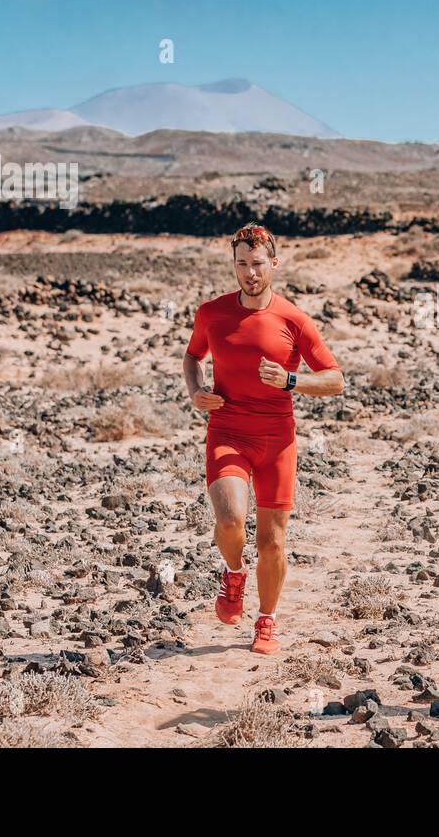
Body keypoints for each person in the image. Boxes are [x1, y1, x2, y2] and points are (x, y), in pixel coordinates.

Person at [182, 224, 344, 655]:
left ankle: (266, 619)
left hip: (276, 439)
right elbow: (193, 356)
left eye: (257, 265)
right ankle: (233, 572)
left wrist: (292, 381)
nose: (250, 273)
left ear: (273, 263)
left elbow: (335, 380)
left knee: (272, 541)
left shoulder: (293, 318)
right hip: (227, 430)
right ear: (233, 264)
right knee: (231, 519)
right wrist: (196, 391)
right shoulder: (211, 313)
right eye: (241, 264)